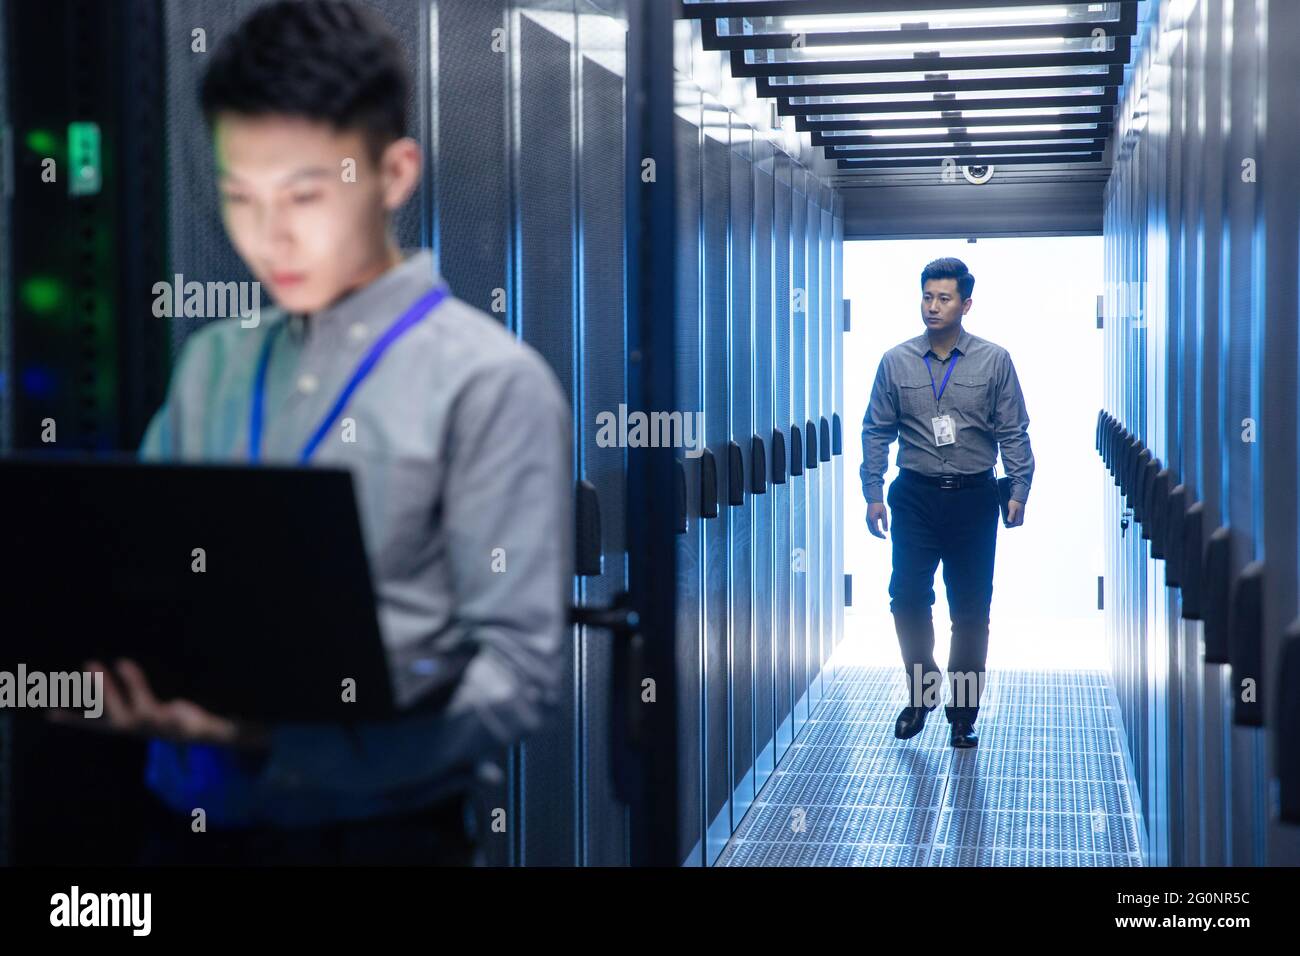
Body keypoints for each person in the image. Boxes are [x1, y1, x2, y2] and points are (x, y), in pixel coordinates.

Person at [48, 0, 573, 864]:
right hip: (177, 831)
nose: (268, 235)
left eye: (305, 194)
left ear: (395, 173)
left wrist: (275, 738)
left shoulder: (489, 383)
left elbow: (517, 679)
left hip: (379, 840)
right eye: (239, 198)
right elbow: (124, 574)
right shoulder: (211, 363)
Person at [860, 257, 1033, 748]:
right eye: (927, 297)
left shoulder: (993, 360)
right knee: (907, 598)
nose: (932, 307)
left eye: (944, 298)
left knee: (971, 611)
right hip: (914, 496)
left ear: (966, 304)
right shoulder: (896, 361)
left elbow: (1013, 429)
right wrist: (874, 491)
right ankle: (922, 691)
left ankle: (962, 715)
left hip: (975, 497)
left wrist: (1019, 488)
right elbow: (876, 430)